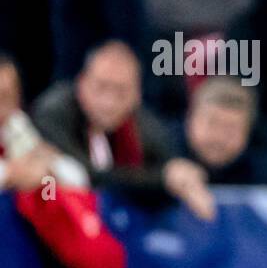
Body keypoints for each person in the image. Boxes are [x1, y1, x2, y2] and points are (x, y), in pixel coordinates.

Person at [31, 40, 215, 219]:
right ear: (82, 83)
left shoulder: (140, 123)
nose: (109, 102)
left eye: (121, 91)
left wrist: (183, 178)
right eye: (101, 87)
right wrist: (162, 180)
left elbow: (172, 166)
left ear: (137, 94)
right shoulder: (53, 113)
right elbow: (86, 176)